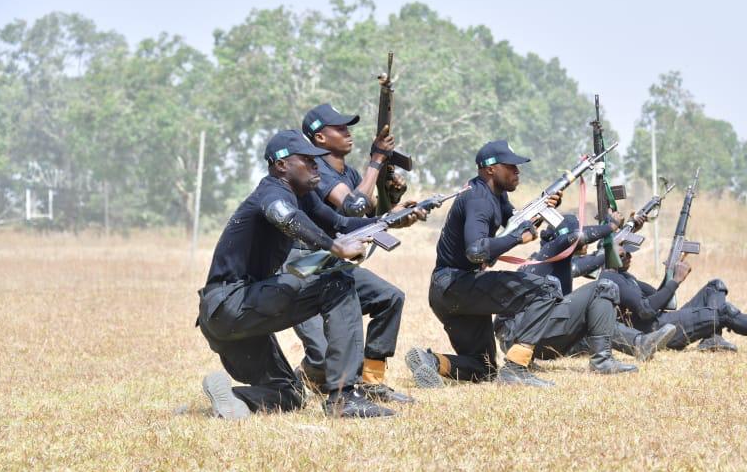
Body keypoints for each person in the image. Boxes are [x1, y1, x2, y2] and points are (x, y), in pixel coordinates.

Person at [195, 129, 395, 420]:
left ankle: (230, 399)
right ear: (281, 166)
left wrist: (391, 219)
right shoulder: (272, 192)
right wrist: (333, 246)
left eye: (316, 161)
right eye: (308, 160)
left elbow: (341, 222)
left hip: (231, 315)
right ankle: (344, 398)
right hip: (231, 303)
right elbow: (285, 217)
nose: (317, 166)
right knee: (337, 284)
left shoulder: (304, 195)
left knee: (289, 394)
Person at [404, 140, 611, 388]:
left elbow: (517, 223)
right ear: (490, 169)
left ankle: (430, 362)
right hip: (457, 284)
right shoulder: (478, 200)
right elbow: (476, 250)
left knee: (484, 368)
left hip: (447, 292)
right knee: (546, 289)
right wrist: (516, 238)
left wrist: (542, 211)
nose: (517, 172)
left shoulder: (495, 196)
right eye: (511, 167)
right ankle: (516, 367)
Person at [289, 103, 418, 405]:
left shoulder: (350, 173)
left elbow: (369, 218)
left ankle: (371, 382)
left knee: (390, 297)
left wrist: (394, 201)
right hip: (304, 266)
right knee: (323, 357)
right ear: (320, 138)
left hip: (334, 265)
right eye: (340, 128)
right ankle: (300, 379)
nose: (348, 133)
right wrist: (377, 160)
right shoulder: (314, 170)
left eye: (348, 127)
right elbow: (354, 206)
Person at [499, 213, 675, 369]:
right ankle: (603, 359)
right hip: (519, 336)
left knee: (594, 313)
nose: (585, 238)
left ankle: (639, 343)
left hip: (529, 336)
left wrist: (624, 230)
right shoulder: (551, 252)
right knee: (603, 286)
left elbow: (599, 258)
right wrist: (610, 226)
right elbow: (577, 237)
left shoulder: (560, 262)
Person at [593, 247, 747, 354]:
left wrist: (671, 273)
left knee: (715, 286)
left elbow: (664, 300)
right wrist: (675, 280)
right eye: (624, 252)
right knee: (724, 312)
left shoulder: (625, 277)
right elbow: (646, 312)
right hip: (663, 330)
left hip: (666, 318)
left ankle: (711, 337)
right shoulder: (611, 279)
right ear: (611, 254)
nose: (630, 256)